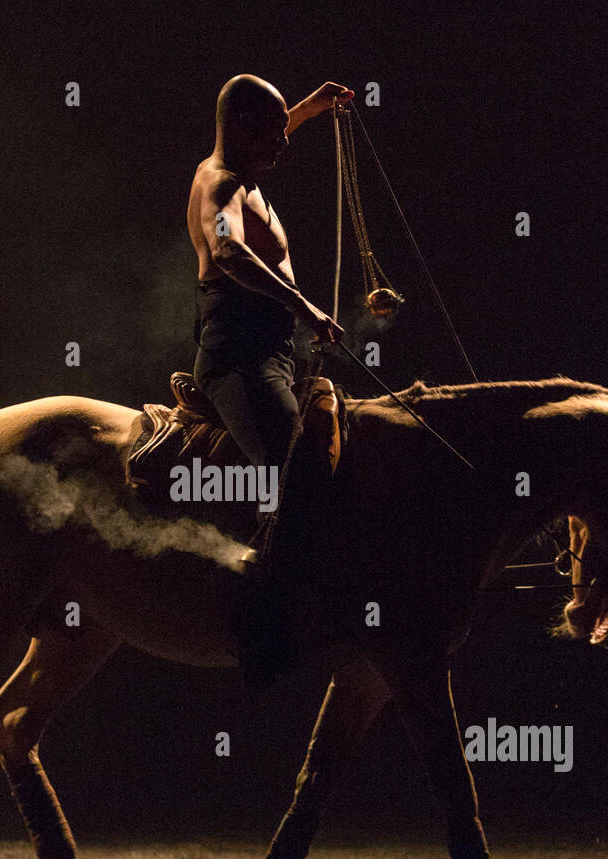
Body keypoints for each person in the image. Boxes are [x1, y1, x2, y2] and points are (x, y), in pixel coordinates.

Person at [186, 74, 352, 683]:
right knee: (297, 467)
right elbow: (227, 252)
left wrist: (311, 107)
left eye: (288, 129)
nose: (284, 143)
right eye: (275, 131)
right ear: (240, 129)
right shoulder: (221, 185)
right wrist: (304, 307)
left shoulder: (247, 173)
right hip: (239, 360)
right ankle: (259, 624)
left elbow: (275, 131)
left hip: (274, 354)